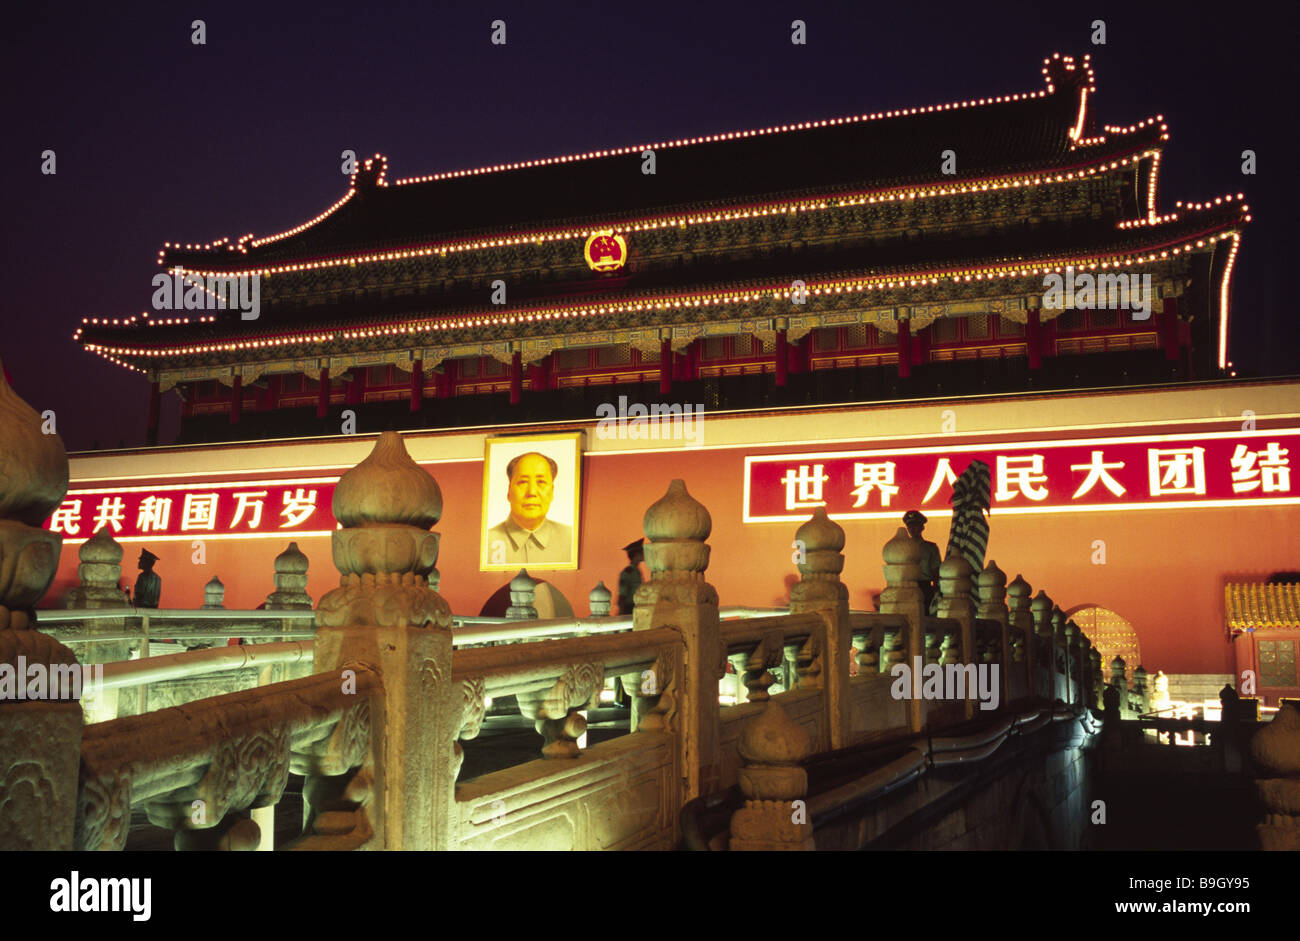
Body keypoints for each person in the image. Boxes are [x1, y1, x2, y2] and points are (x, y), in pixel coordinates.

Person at [486, 451, 574, 564]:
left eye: (541, 482)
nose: (532, 492)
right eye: (523, 482)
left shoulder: (572, 540)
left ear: (552, 492)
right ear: (509, 491)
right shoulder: (485, 543)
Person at [903, 510, 942, 614]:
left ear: (922, 527)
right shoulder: (903, 548)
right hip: (907, 587)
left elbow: (936, 571)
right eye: (910, 526)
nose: (912, 529)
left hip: (925, 587)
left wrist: (936, 590)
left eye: (915, 525)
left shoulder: (930, 548)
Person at [617, 538, 645, 616]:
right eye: (641, 552)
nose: (643, 554)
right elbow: (622, 594)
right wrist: (621, 612)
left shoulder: (636, 571)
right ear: (636, 555)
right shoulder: (628, 572)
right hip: (629, 608)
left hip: (637, 606)